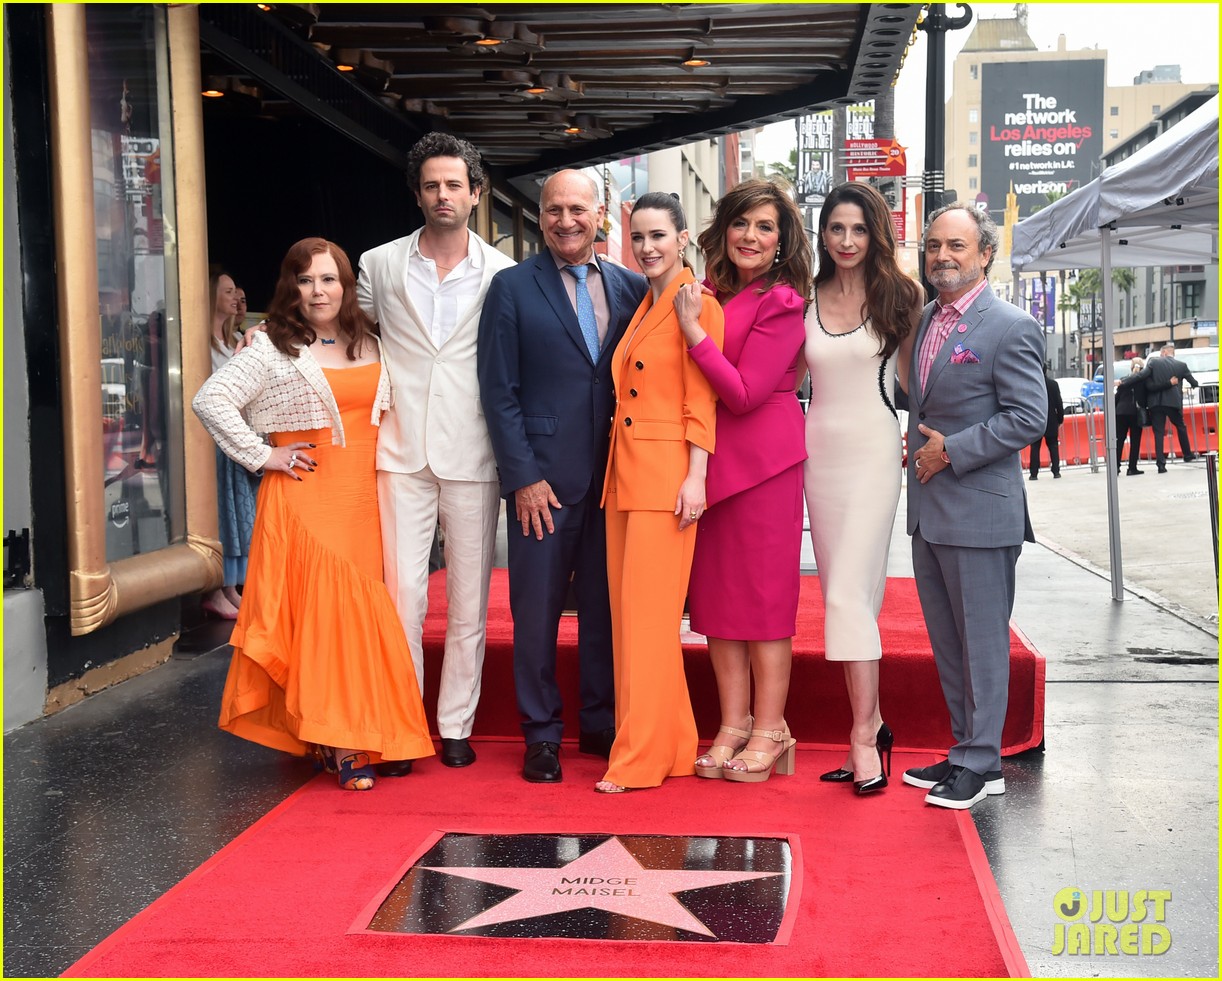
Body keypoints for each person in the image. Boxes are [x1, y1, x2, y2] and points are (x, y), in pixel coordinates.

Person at [192, 237, 434, 790]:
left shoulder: (371, 340)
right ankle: (343, 741)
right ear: (291, 288)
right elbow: (211, 400)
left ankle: (341, 731)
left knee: (365, 616)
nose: (318, 291)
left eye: (328, 279)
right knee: (331, 617)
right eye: (305, 281)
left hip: (365, 496)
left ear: (346, 286)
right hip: (306, 494)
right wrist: (263, 454)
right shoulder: (273, 345)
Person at [478, 170, 647, 783]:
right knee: (537, 610)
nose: (565, 220)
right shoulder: (511, 288)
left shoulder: (633, 287)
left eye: (577, 209)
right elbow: (498, 392)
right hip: (542, 485)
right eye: (553, 210)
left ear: (601, 214)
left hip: (617, 480)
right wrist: (522, 475)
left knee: (606, 609)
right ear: (541, 216)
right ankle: (541, 733)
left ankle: (599, 722)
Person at [357, 132, 515, 771]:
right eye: (431, 185)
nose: (443, 195)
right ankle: (400, 726)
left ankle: (455, 725)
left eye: (454, 184)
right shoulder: (379, 264)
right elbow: (352, 335)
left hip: (474, 449)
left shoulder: (503, 275)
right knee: (403, 598)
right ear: (417, 194)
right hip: (397, 448)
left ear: (475, 195)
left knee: (471, 601)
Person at [899, 203, 1047, 810]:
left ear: (984, 253)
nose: (942, 257)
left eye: (956, 246)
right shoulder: (928, 318)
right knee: (950, 645)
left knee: (983, 645)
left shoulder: (1008, 325)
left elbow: (1029, 417)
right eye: (934, 246)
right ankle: (965, 750)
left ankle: (984, 764)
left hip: (981, 512)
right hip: (931, 513)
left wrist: (951, 452)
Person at [673, 178, 812, 783]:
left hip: (763, 465)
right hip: (709, 462)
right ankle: (731, 724)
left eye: (765, 227)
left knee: (762, 601)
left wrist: (695, 337)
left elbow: (747, 392)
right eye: (741, 223)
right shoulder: (706, 291)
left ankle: (770, 727)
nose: (751, 236)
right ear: (722, 230)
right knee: (717, 601)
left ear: (782, 241)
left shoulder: (781, 300)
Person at [594, 193, 724, 795]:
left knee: (647, 624)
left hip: (667, 479)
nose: (647, 248)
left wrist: (696, 477)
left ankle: (639, 759)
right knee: (634, 622)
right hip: (625, 477)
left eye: (658, 237)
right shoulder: (648, 302)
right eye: (638, 237)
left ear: (682, 238)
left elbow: (703, 399)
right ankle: (673, 745)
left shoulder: (698, 305)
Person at [802, 182, 922, 795]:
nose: (847, 241)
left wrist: (933, 438)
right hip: (817, 458)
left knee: (849, 594)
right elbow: (784, 379)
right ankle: (870, 724)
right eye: (836, 229)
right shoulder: (803, 297)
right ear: (822, 234)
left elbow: (915, 381)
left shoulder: (901, 296)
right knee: (851, 597)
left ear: (876, 234)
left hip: (877, 452)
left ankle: (862, 733)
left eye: (859, 229)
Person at [202, 271, 258, 620]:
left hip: (237, 438)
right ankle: (216, 588)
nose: (235, 297)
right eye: (227, 291)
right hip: (213, 440)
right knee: (220, 517)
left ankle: (230, 588)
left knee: (237, 517)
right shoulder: (201, 343)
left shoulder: (232, 339)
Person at [1120, 343, 1199, 472]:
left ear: (1164, 353)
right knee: (1180, 426)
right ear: (1172, 353)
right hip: (1173, 403)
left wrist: (1124, 382)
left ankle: (1161, 464)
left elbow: (1141, 376)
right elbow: (1194, 382)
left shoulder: (1153, 363)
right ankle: (1187, 454)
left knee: (1159, 433)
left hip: (1155, 404)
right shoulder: (1181, 366)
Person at [1028, 366, 1065, 480]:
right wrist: (1060, 419)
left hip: (1036, 419)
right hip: (1051, 419)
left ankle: (1034, 473)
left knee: (1035, 447)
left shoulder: (1032, 385)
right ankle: (1056, 471)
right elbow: (1059, 403)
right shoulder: (1053, 384)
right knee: (1053, 446)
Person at [1115, 356, 1147, 475]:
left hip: (1121, 412)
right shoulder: (1143, 382)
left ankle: (1116, 466)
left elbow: (1117, 398)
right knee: (1135, 440)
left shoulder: (1124, 380)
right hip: (1135, 413)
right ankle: (1132, 467)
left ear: (1131, 367)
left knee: (1119, 440)